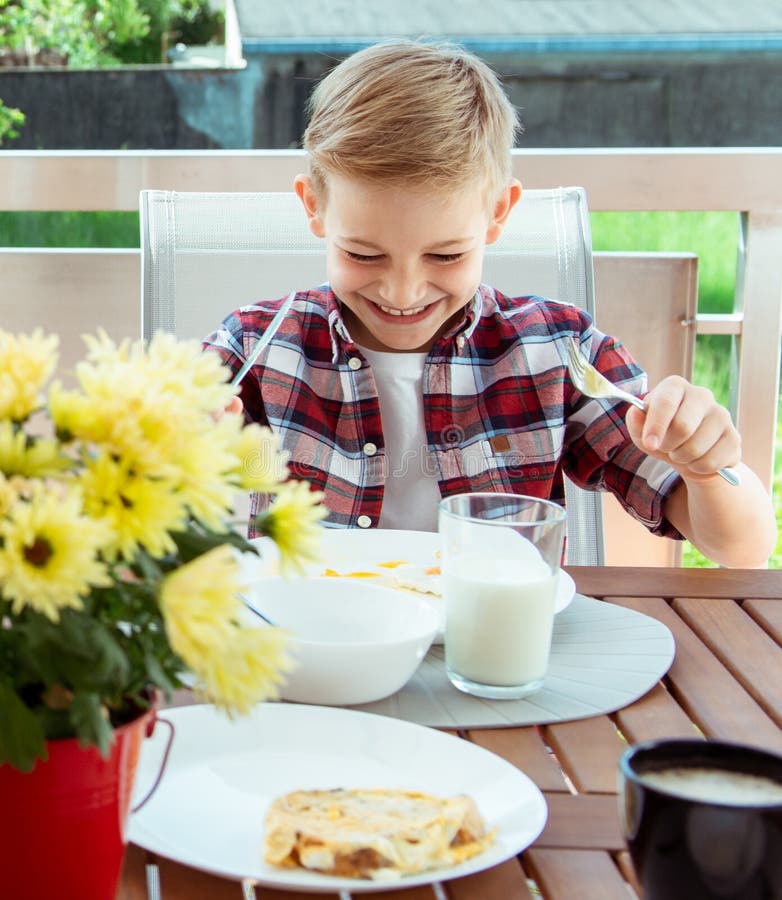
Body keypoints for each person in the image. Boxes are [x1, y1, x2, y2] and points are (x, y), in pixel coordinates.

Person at [204, 39, 776, 568]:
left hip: (499, 659)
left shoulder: (555, 353)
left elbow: (743, 549)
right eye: (363, 254)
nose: (403, 293)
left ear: (499, 214)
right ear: (315, 208)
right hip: (322, 654)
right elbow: (143, 479)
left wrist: (705, 469)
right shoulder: (258, 349)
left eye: (446, 256)